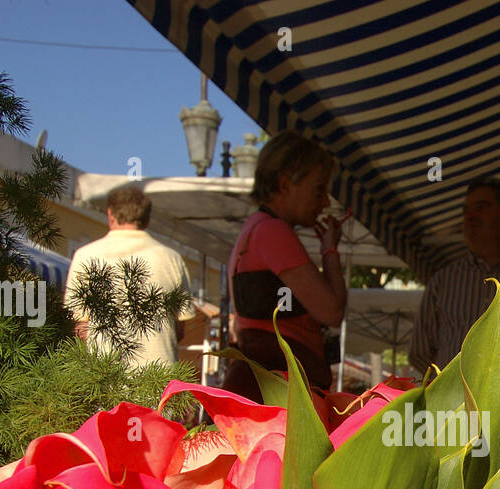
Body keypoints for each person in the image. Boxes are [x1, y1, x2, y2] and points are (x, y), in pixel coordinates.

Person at [220, 130, 347, 401]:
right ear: (285, 185)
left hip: (263, 384)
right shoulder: (272, 231)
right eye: (318, 189)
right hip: (275, 391)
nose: (325, 201)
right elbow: (332, 311)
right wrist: (330, 250)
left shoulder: (256, 228)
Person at [409, 176, 500, 375]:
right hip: (452, 405)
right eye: (466, 211)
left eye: (482, 207)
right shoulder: (443, 281)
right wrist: (445, 387)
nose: (470, 217)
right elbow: (419, 352)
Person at [68, 184, 217, 369]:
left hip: (104, 380)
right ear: (147, 220)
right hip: (158, 378)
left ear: (110, 215)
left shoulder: (85, 256)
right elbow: (179, 328)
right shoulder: (171, 259)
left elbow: (80, 327)